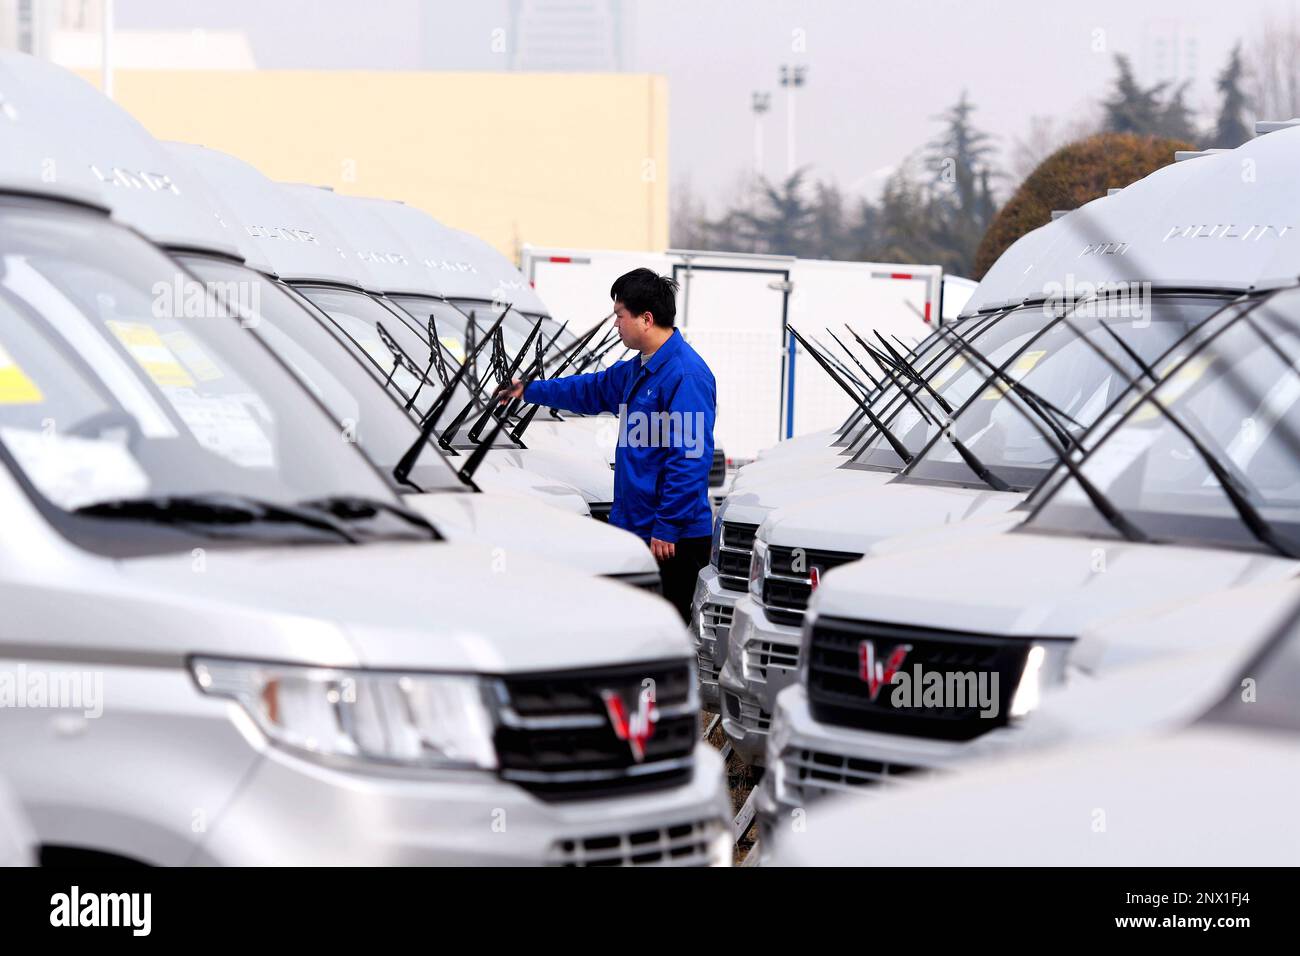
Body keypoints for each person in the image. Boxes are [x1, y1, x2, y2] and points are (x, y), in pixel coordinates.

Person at [500, 268, 716, 622]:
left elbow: (689, 458)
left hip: (671, 539)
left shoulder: (685, 375)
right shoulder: (637, 370)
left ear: (646, 319)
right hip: (637, 526)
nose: (616, 324)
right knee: (632, 625)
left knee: (664, 631)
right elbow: (588, 390)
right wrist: (530, 390)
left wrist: (668, 525)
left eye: (620, 316)